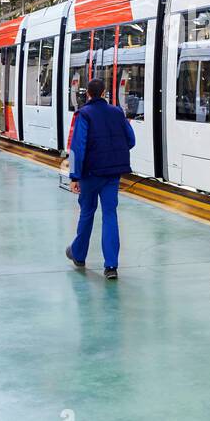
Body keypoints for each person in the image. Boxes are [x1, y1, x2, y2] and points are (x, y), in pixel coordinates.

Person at [65, 77, 135, 279]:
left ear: (87, 94)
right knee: (110, 215)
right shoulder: (117, 112)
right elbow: (131, 140)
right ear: (104, 93)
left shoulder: (84, 114)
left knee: (87, 212)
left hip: (90, 174)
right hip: (112, 174)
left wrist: (74, 177)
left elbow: (78, 147)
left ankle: (78, 254)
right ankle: (111, 266)